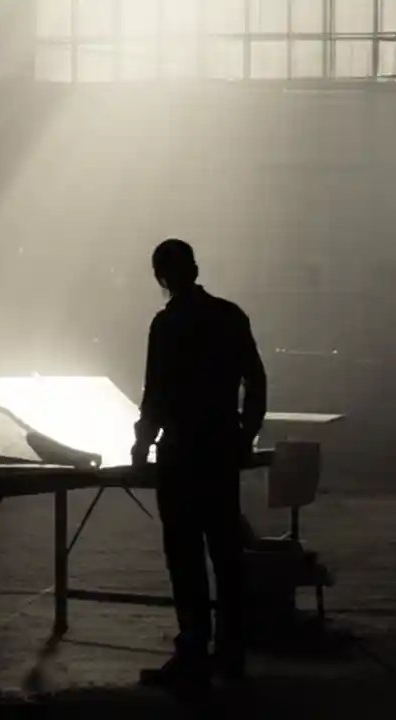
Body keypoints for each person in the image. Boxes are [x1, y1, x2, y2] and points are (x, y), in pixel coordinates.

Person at [131, 238, 267, 689]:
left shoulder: (167, 324)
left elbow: (155, 395)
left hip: (181, 454)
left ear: (161, 278)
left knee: (185, 558)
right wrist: (245, 434)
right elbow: (256, 380)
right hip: (221, 453)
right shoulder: (230, 316)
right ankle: (232, 654)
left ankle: (192, 651)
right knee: (226, 555)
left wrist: (140, 446)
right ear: (195, 267)